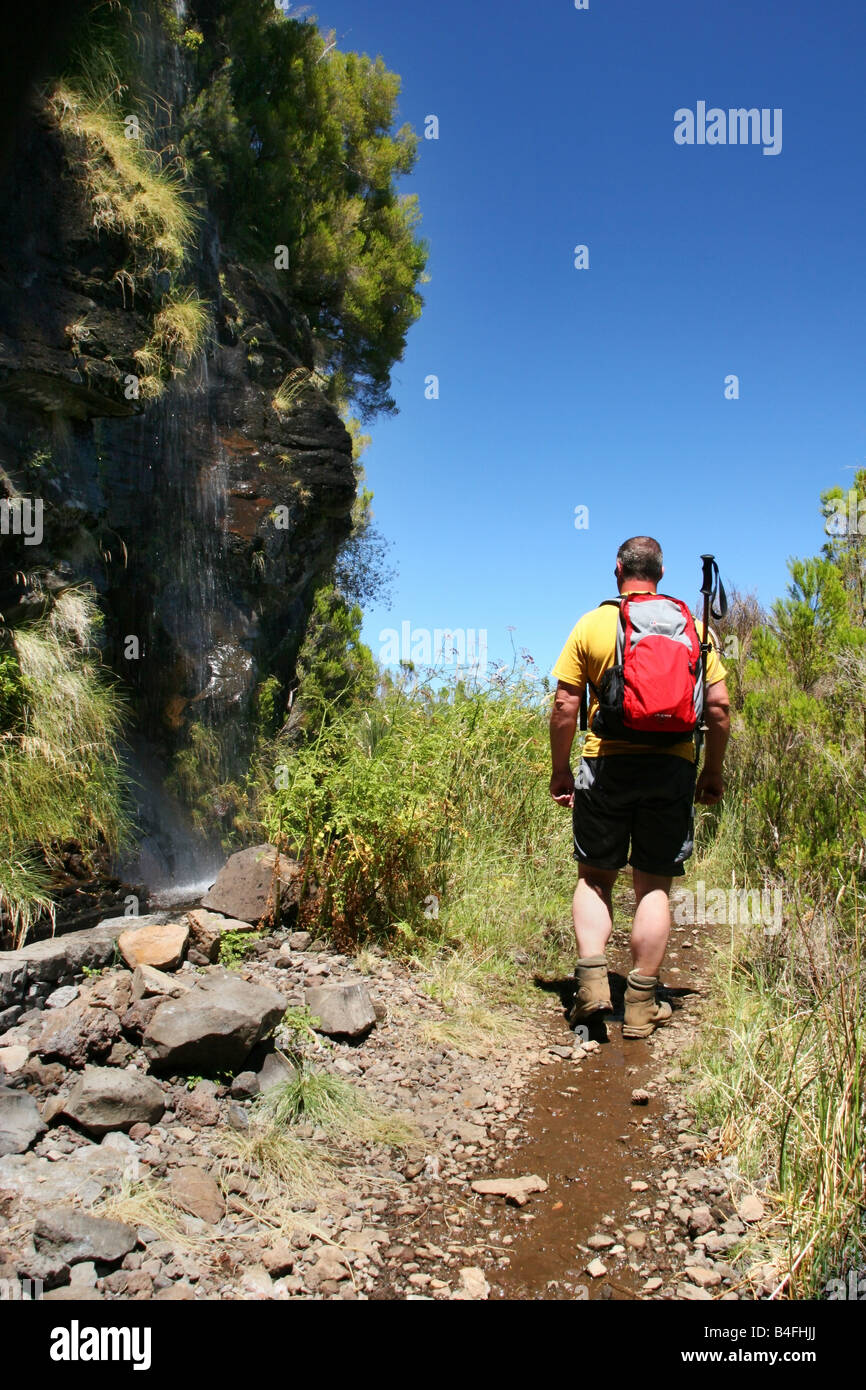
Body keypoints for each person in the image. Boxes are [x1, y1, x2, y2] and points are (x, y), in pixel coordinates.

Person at [548, 536, 730, 1038]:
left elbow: (566, 706)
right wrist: (711, 772)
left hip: (603, 765)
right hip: (671, 768)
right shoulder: (691, 627)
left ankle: (590, 986)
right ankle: (641, 1005)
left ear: (618, 569)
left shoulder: (593, 623)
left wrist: (560, 770)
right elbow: (717, 708)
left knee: (594, 878)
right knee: (653, 885)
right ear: (662, 573)